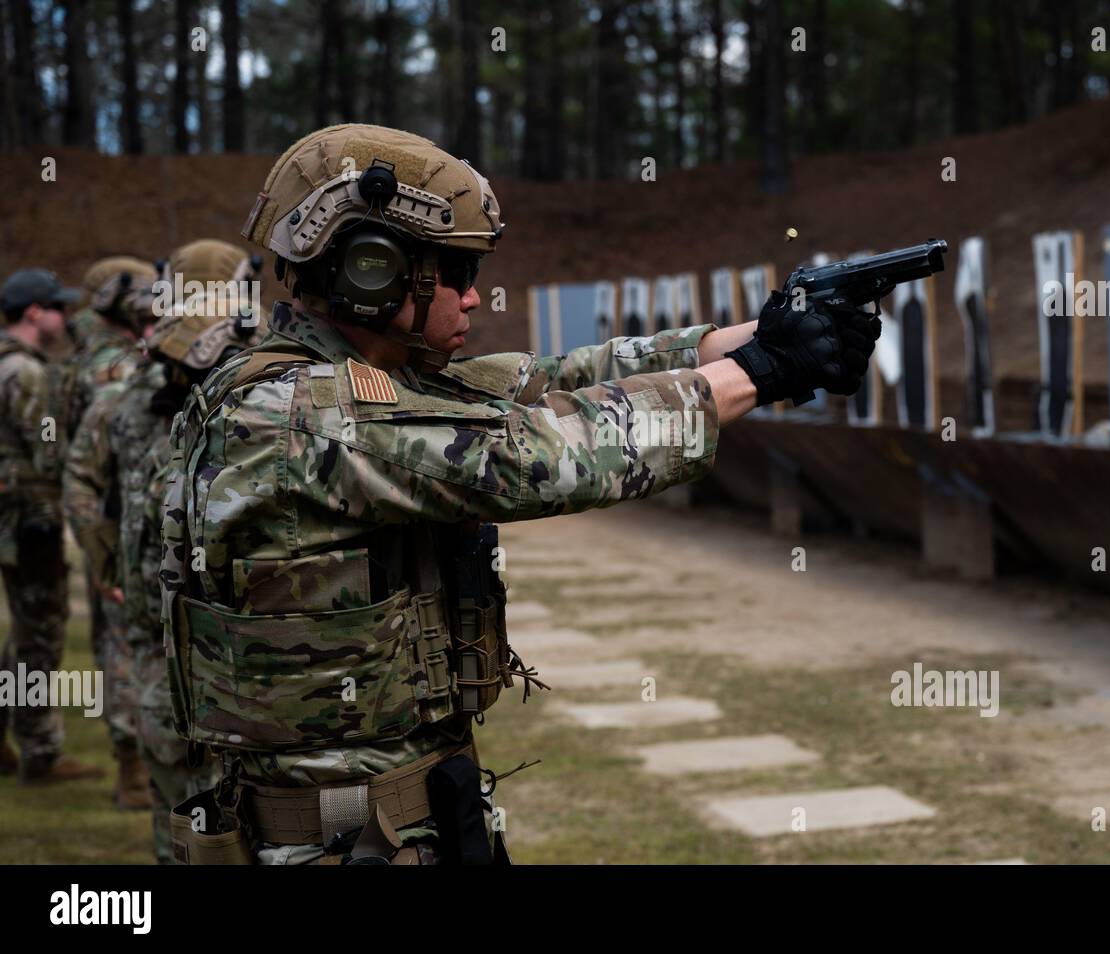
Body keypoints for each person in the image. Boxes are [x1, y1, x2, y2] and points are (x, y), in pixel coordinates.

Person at [162, 123, 877, 865]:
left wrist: (769, 338)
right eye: (458, 270)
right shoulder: (294, 414)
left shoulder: (349, 384)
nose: (473, 297)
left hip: (397, 828)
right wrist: (762, 370)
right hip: (338, 844)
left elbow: (555, 381)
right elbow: (534, 453)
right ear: (373, 270)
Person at [68, 241, 262, 859]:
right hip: (214, 643)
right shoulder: (255, 385)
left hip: (186, 639)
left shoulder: (128, 395)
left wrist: (104, 563)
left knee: (185, 807)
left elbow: (79, 478)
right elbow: (81, 478)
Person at [60, 260, 159, 808]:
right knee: (127, 649)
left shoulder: (88, 360)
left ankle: (137, 771)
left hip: (113, 524)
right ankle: (136, 776)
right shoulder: (116, 370)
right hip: (125, 525)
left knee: (117, 646)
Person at [0, 269, 103, 783]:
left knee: (21, 636)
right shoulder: (26, 373)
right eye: (57, 307)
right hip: (32, 521)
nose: (65, 317)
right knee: (40, 638)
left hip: (14, 519)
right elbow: (48, 454)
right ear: (35, 312)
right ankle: (41, 751)